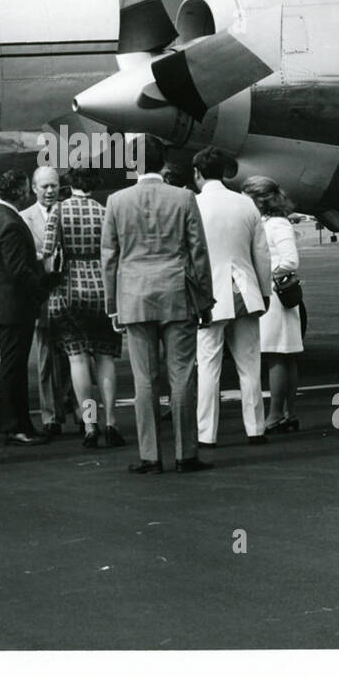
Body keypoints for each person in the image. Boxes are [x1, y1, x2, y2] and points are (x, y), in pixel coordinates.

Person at [102, 135, 213, 473]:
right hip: (177, 294)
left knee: (144, 379)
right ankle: (186, 453)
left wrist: (112, 304)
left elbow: (109, 257)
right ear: (163, 162)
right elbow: (198, 253)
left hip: (134, 297)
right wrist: (205, 298)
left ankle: (150, 455)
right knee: (182, 376)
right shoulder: (183, 198)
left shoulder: (116, 201)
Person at [193, 147, 272, 447]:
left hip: (209, 295)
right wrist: (264, 293)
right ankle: (255, 429)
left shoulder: (194, 205)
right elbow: (262, 255)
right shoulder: (246, 204)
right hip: (245, 290)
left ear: (198, 173)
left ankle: (206, 434)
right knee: (249, 365)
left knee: (208, 367)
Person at [41, 167, 124, 449]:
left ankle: (90, 424)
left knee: (77, 361)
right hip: (102, 290)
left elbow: (49, 254)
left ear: (70, 184)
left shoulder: (59, 211)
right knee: (105, 358)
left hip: (69, 290)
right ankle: (111, 422)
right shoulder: (104, 211)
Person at [0, 169, 56, 447]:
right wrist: (45, 285)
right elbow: (19, 271)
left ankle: (18, 424)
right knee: (14, 369)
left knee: (12, 368)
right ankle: (16, 426)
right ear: (21, 192)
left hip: (0, 303)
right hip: (15, 307)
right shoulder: (11, 221)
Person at [242, 176, 304, 432]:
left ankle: (275, 414)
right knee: (285, 356)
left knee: (276, 356)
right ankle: (288, 414)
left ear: (260, 200)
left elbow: (290, 260)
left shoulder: (277, 225)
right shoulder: (270, 222)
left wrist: (264, 274)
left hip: (275, 296)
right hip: (278, 296)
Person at [22, 165, 74, 436]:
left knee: (78, 361)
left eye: (54, 185)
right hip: (43, 298)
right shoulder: (23, 219)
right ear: (34, 189)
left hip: (71, 296)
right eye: (45, 186)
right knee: (44, 362)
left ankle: (83, 415)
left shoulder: (71, 212)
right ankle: (50, 418)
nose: (51, 190)